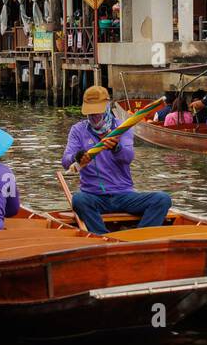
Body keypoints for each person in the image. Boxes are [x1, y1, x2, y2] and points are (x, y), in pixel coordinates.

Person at [61, 85, 171, 235]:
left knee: (162, 199)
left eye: (97, 111)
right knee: (79, 200)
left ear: (107, 106)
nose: (94, 116)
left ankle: (138, 237)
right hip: (93, 195)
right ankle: (104, 237)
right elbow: (66, 161)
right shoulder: (78, 130)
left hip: (124, 194)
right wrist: (77, 157)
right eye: (91, 112)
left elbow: (128, 158)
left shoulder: (122, 127)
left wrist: (116, 148)